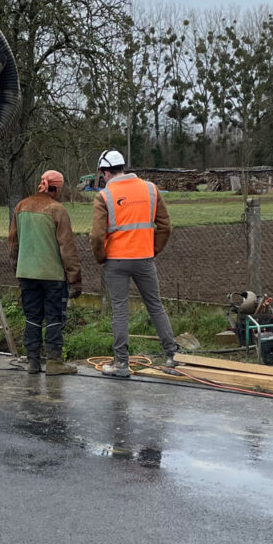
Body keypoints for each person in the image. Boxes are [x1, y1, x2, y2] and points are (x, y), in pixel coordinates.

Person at [89, 149, 176, 376]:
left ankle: (121, 364)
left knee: (119, 311)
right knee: (155, 305)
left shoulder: (104, 196)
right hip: (144, 258)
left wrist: (102, 258)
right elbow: (165, 227)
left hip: (116, 261)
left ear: (106, 172)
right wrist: (152, 250)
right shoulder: (150, 189)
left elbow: (97, 236)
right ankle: (172, 355)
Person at [9, 170, 82, 375]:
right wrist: (75, 279)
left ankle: (33, 361)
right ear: (57, 188)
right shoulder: (57, 210)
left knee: (32, 316)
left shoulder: (21, 206)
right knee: (54, 317)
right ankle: (54, 362)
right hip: (52, 275)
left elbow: (13, 243)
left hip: (26, 273)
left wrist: (18, 268)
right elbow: (67, 247)